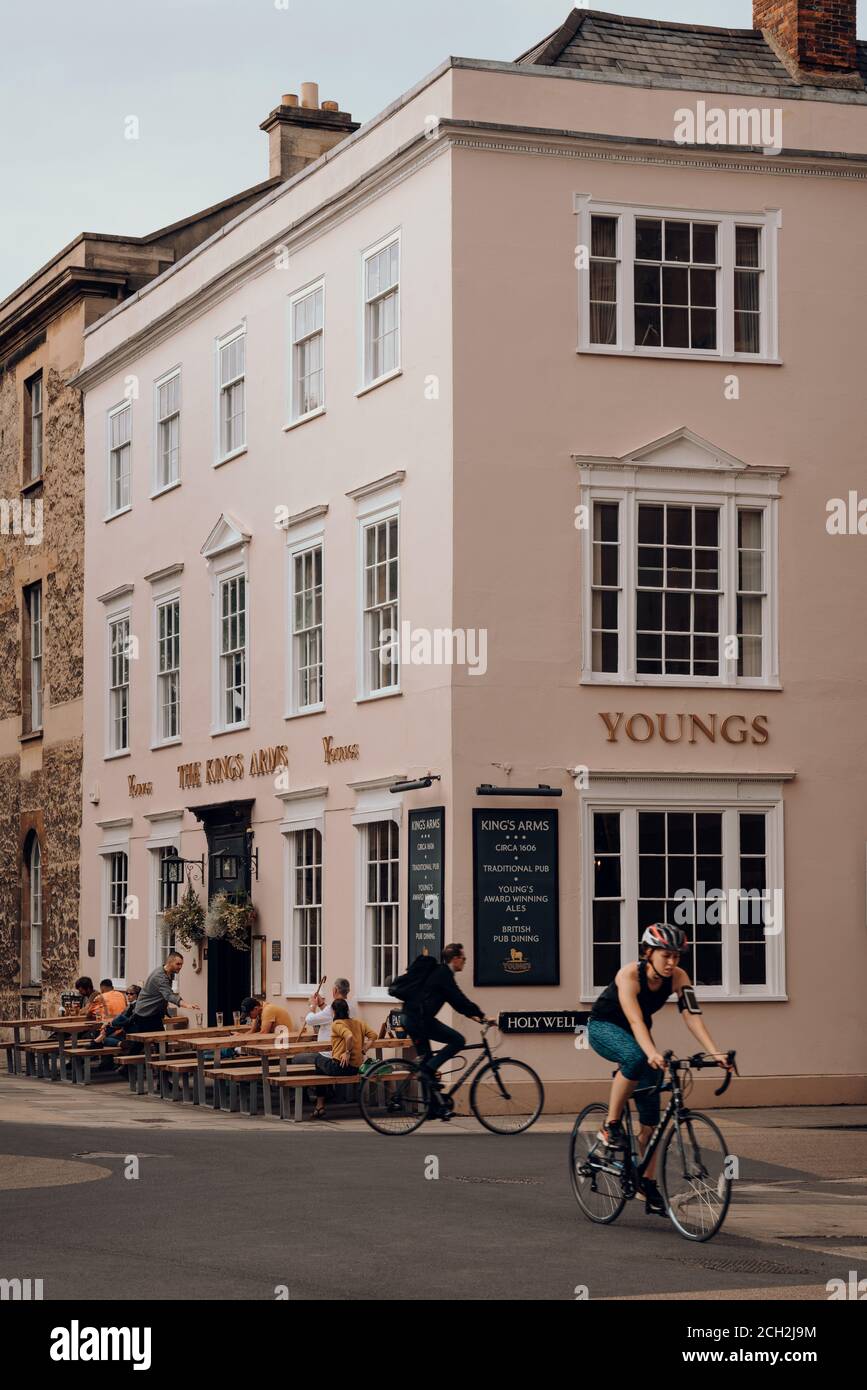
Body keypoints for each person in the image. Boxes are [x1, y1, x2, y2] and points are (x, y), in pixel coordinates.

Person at [588, 922, 732, 1216]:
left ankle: (647, 1183)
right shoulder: (629, 974)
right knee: (635, 1057)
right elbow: (635, 1020)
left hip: (640, 1036)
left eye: (676, 956)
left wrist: (714, 1050)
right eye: (665, 955)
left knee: (651, 1117)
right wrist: (650, 1051)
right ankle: (610, 1127)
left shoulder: (678, 977)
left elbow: (692, 1015)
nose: (671, 962)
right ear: (648, 952)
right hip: (604, 1027)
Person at [404, 943, 491, 1111]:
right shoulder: (444, 974)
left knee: (427, 1061)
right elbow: (459, 1000)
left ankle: (432, 1109)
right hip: (419, 1021)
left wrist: (476, 1016)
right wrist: (482, 1016)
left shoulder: (440, 973)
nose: (465, 962)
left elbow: (457, 1003)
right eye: (464, 959)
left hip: (413, 1018)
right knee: (458, 1040)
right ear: (456, 959)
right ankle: (429, 1070)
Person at [311, 998, 378, 1119]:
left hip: (340, 1068)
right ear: (347, 1010)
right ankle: (320, 1105)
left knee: (318, 1058)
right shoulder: (359, 1023)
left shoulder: (337, 1024)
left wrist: (347, 1052)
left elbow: (349, 1036)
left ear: (333, 1012)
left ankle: (320, 1104)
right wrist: (364, 1050)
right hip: (355, 1068)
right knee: (320, 1069)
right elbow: (374, 1035)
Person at [124, 952, 199, 1049]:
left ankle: (131, 1062)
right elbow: (169, 995)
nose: (180, 967)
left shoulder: (168, 973)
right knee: (156, 1044)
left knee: (156, 1044)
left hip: (152, 1013)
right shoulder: (160, 977)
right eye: (178, 964)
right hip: (144, 1014)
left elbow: (163, 995)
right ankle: (127, 1063)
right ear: (170, 962)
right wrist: (186, 1005)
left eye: (181, 964)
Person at [295, 978, 354, 1069]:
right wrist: (321, 1004)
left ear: (335, 990)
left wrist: (312, 1006)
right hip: (341, 1053)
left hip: (327, 1054)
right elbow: (330, 1016)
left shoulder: (331, 1009)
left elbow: (309, 1020)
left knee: (295, 1058)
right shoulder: (350, 1006)